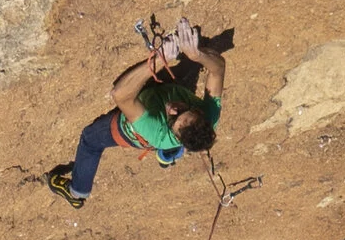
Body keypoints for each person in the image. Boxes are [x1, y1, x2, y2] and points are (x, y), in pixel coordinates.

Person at [48, 19, 225, 206]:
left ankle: (77, 192)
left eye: (173, 119)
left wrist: (158, 59)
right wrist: (198, 55)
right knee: (172, 127)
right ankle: (169, 153)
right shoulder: (209, 115)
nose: (173, 109)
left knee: (90, 141)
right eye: (182, 110)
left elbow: (121, 95)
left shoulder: (156, 130)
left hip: (129, 131)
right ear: (198, 111)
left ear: (173, 132)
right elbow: (218, 68)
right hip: (161, 105)